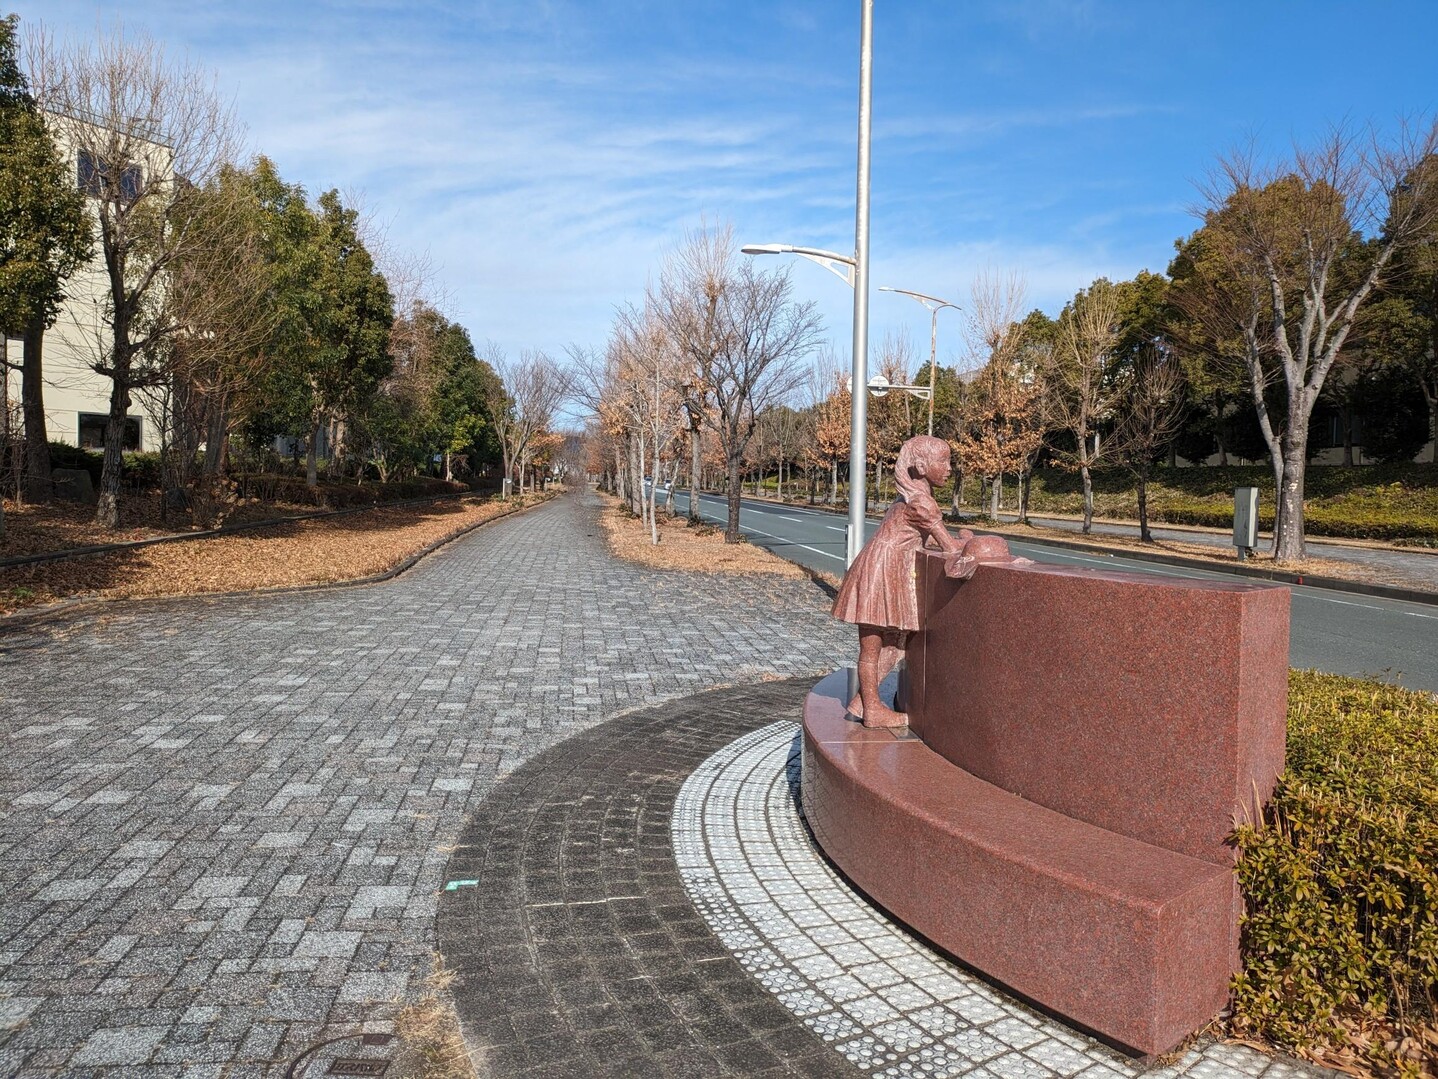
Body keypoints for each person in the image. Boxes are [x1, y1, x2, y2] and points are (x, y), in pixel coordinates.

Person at [831, 434, 974, 728]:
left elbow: (922, 542)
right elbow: (949, 548)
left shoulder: (910, 498)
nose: (949, 468)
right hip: (881, 573)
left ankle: (861, 702)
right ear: (921, 467)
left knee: (894, 644)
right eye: (944, 461)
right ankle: (873, 710)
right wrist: (970, 545)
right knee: (872, 647)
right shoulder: (921, 503)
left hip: (880, 568)